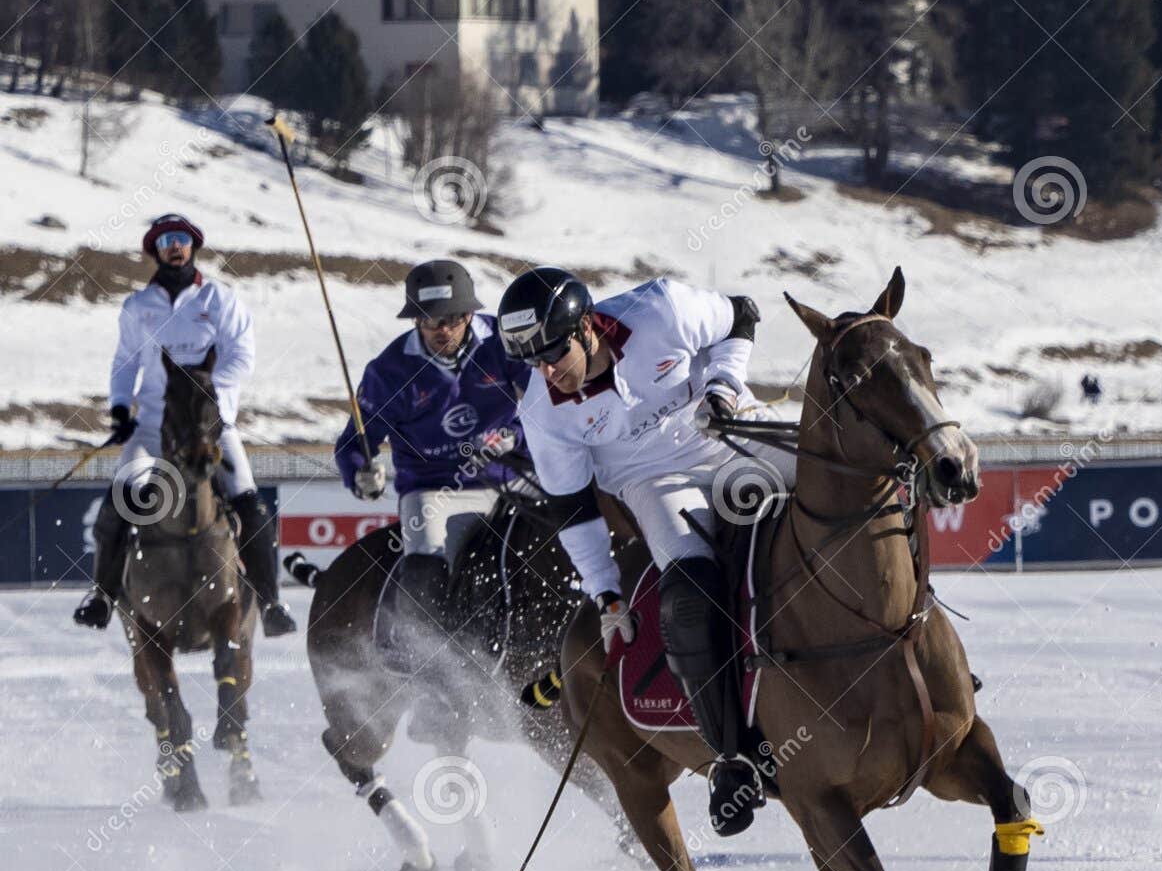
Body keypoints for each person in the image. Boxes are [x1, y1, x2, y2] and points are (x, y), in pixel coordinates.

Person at [498, 268, 789, 838]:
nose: (547, 370)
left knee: (862, 484)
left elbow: (742, 313)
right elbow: (575, 507)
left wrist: (723, 387)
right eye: (533, 362)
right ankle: (732, 757)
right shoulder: (545, 411)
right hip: (655, 482)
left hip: (733, 433)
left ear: (585, 327)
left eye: (554, 352)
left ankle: (916, 639)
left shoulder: (662, 308)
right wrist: (606, 593)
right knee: (686, 598)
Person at [73, 212, 296, 636]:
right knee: (121, 495)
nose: (174, 246)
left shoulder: (219, 300)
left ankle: (270, 603)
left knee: (249, 500)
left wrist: (204, 390)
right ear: (155, 250)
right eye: (165, 240)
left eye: (181, 239)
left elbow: (242, 355)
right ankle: (101, 596)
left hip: (213, 428)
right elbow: (124, 361)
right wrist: (121, 407)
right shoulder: (139, 307)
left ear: (193, 246)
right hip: (155, 426)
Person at [334, 259, 532, 610]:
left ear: (469, 315)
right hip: (433, 490)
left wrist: (515, 436)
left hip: (511, 477)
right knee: (425, 566)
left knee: (571, 530)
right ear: (416, 321)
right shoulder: (389, 371)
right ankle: (425, 654)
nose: (443, 330)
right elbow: (355, 441)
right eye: (430, 320)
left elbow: (547, 402)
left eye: (453, 318)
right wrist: (360, 473)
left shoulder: (503, 343)